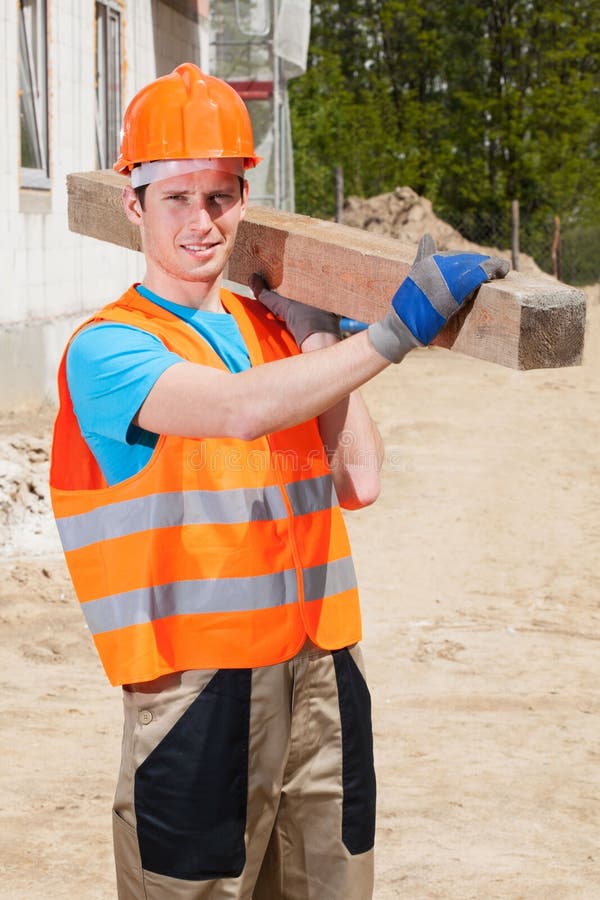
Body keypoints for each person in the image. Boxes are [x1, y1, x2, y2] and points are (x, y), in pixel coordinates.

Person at [50, 63, 508, 900]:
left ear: (243, 202)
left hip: (325, 673)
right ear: (133, 204)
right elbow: (234, 413)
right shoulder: (107, 350)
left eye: (220, 197)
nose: (202, 221)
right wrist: (390, 335)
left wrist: (312, 345)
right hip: (197, 696)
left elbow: (360, 479)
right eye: (177, 197)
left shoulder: (273, 334)